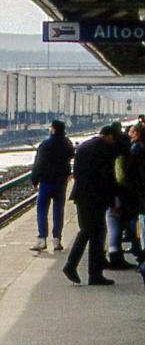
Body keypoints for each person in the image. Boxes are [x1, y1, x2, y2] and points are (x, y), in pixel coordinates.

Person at [63, 124, 119, 285]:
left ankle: (94, 272)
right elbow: (107, 178)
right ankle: (74, 266)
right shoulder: (105, 150)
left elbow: (76, 173)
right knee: (91, 231)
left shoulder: (84, 146)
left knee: (93, 231)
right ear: (109, 136)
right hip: (96, 197)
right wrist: (113, 201)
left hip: (81, 195)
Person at [30, 119, 74, 251]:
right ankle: (56, 240)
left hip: (46, 182)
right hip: (61, 183)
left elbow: (38, 164)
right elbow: (71, 156)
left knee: (42, 210)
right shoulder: (67, 143)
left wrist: (34, 181)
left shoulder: (45, 144)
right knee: (58, 210)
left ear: (53, 129)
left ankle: (42, 240)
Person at [106, 122, 137, 269]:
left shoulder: (113, 153)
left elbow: (117, 177)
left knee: (114, 223)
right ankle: (116, 257)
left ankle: (115, 256)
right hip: (122, 193)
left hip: (117, 192)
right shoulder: (126, 152)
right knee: (116, 223)